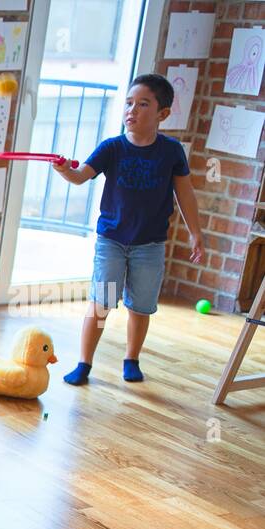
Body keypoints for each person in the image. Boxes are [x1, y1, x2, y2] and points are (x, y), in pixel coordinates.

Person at [52, 73, 204, 385]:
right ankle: (84, 364)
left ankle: (131, 358)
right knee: (102, 303)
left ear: (162, 114)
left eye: (142, 104)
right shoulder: (112, 148)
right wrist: (65, 170)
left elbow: (185, 193)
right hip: (112, 241)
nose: (131, 110)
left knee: (141, 306)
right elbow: (81, 176)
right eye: (129, 103)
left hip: (150, 245)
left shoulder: (172, 152)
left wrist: (195, 232)